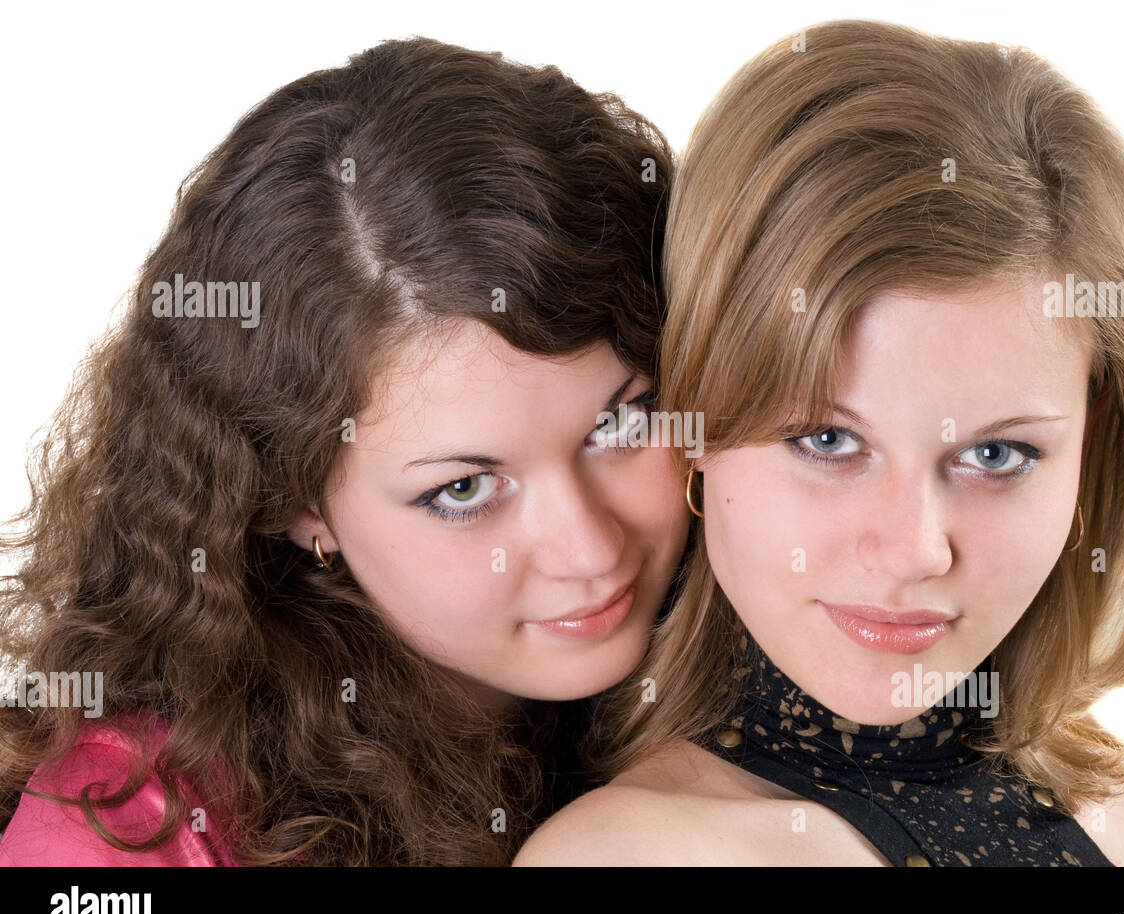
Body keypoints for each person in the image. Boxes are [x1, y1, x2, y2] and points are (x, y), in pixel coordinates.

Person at [514, 19, 1124, 866]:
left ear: (1092, 443)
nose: (914, 551)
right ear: (695, 417)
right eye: (827, 440)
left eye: (998, 456)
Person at [0, 36, 689, 866]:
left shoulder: (785, 658)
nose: (591, 549)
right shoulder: (129, 821)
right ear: (298, 503)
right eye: (466, 488)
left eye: (620, 425)